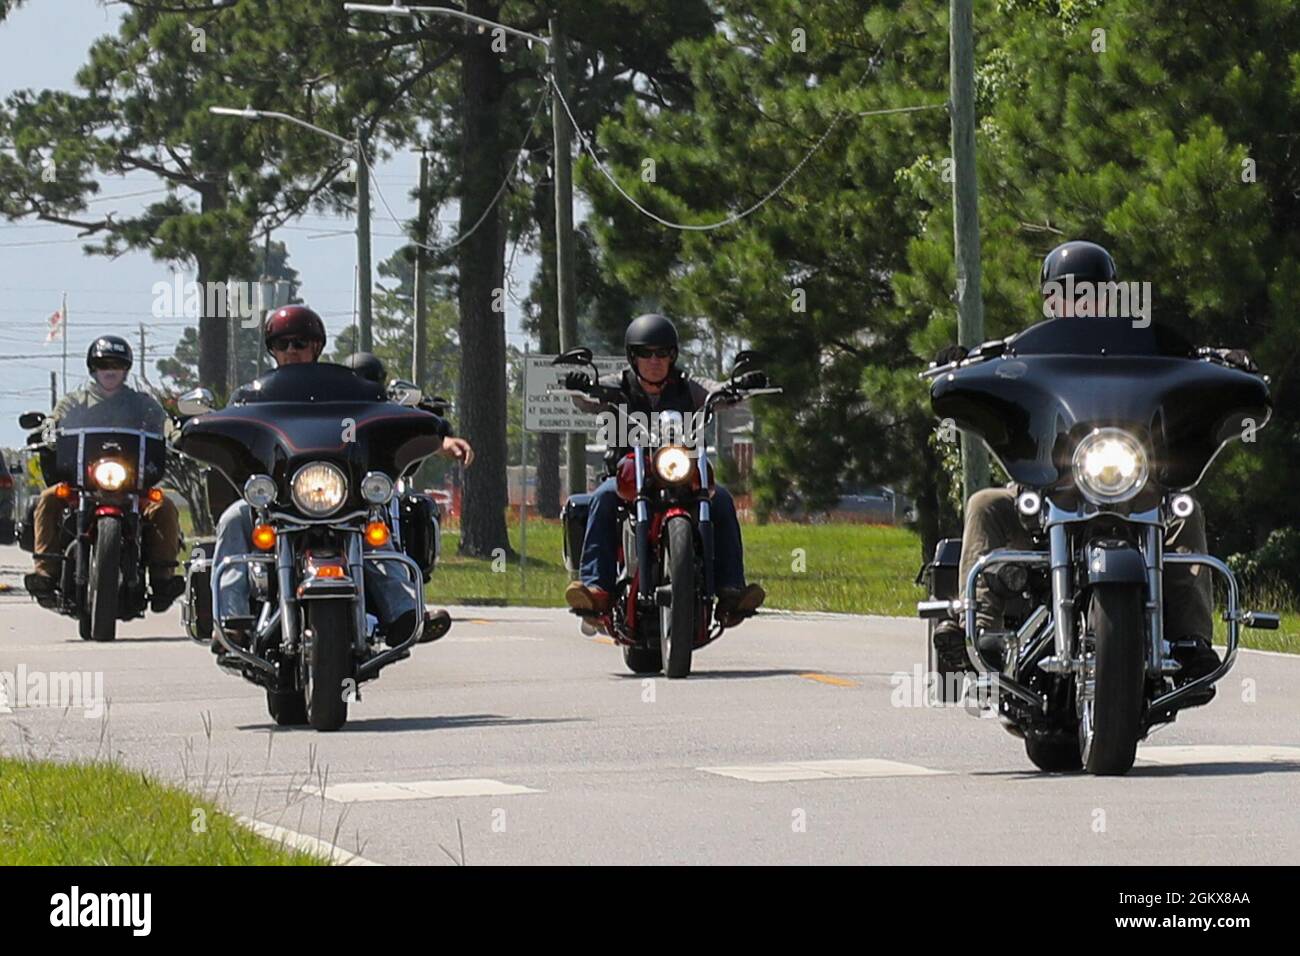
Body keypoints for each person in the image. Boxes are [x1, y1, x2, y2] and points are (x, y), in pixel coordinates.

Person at [932, 241, 1218, 686]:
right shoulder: (1026, 352)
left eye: (1092, 290)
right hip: (1049, 482)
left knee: (1186, 512)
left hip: (1127, 481)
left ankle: (1191, 641)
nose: (1081, 299)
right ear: (1050, 298)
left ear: (1111, 294)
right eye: (1068, 290)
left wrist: (1217, 361)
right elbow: (996, 371)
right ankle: (977, 626)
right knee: (985, 503)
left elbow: (1181, 363)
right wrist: (962, 360)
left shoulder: (1141, 349)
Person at [210, 308, 472, 652]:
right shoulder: (253, 396)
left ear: (316, 346)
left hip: (339, 496)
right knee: (233, 518)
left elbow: (387, 419)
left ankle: (406, 615)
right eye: (282, 343)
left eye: (300, 342)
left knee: (375, 533)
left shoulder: (350, 391)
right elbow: (228, 427)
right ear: (271, 349)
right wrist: (201, 429)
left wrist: (440, 441)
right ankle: (230, 623)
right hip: (276, 502)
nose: (292, 349)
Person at [562, 312, 765, 622]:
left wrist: (740, 386)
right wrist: (580, 386)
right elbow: (587, 399)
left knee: (721, 498)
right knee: (603, 496)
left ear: (673, 356)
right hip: (629, 471)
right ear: (633, 356)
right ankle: (597, 588)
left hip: (679, 472)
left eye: (663, 353)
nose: (654, 360)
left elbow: (717, 392)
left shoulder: (688, 386)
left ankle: (730, 590)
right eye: (646, 353)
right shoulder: (618, 385)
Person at [23, 335, 185, 612]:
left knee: (165, 506)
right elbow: (54, 421)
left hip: (132, 483)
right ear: (93, 369)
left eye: (117, 364)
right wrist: (46, 433)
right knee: (48, 498)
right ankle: (46, 573)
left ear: (126, 369)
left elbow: (164, 423)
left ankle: (162, 580)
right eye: (103, 364)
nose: (110, 370)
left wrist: (177, 436)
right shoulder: (75, 401)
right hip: (82, 482)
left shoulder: (141, 403)